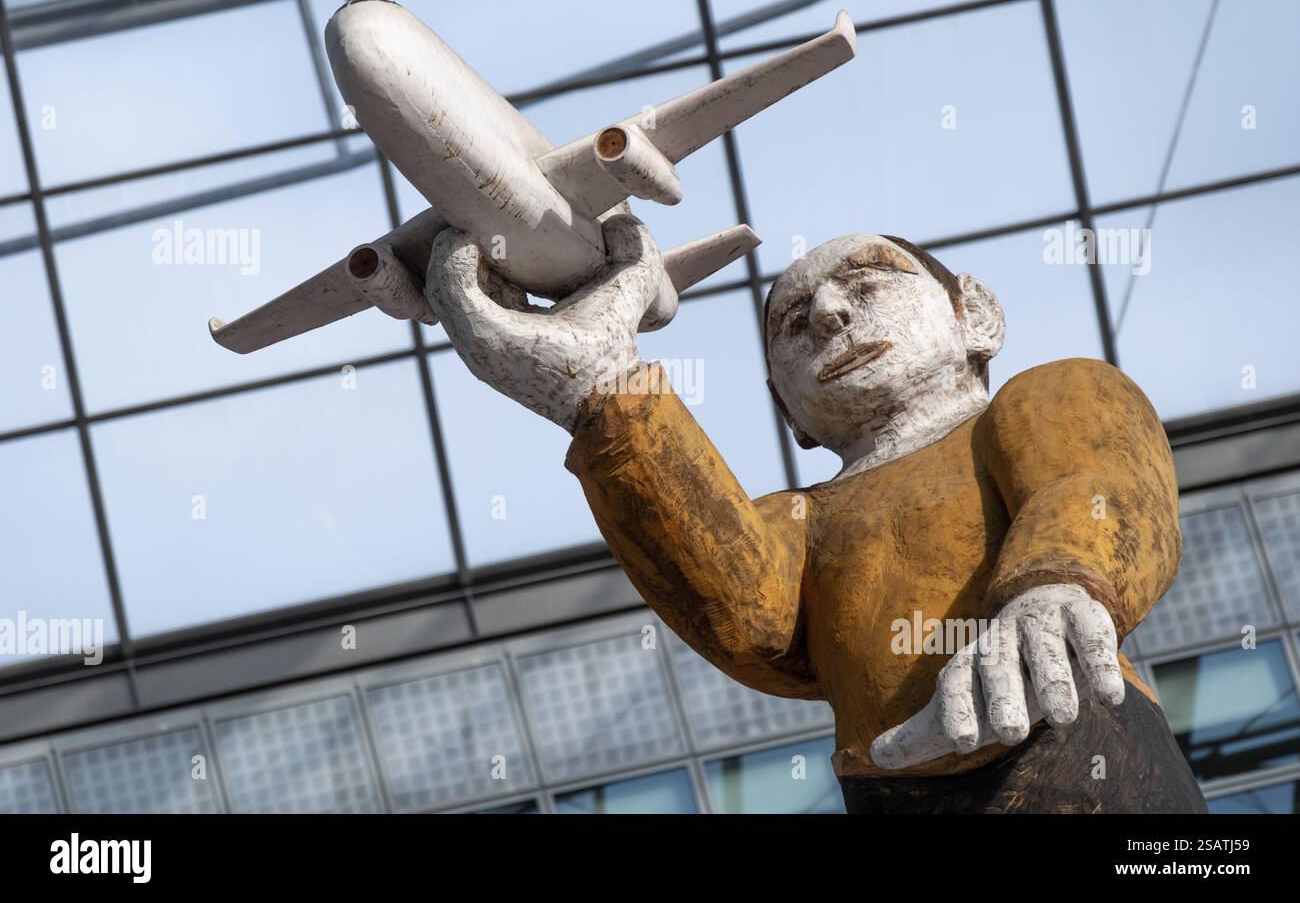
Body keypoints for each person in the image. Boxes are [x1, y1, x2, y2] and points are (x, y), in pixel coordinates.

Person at [425, 214, 1206, 813]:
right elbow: (747, 615)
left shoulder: (1037, 398)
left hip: (1079, 743)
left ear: (977, 315)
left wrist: (1057, 583)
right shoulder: (798, 520)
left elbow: (1093, 469)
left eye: (869, 283)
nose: (831, 315)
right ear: (788, 412)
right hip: (889, 788)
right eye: (794, 325)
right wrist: (596, 387)